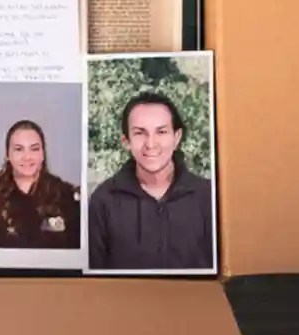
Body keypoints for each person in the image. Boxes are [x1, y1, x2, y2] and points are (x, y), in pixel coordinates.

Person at [88, 92, 214, 270]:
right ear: (126, 141)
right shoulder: (103, 200)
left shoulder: (208, 197)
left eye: (161, 132)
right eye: (140, 133)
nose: (151, 143)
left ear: (176, 138)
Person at [0, 119, 81, 250]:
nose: (27, 157)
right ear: (7, 155)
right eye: (19, 149)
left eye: (34, 149)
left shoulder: (65, 195)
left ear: (43, 154)